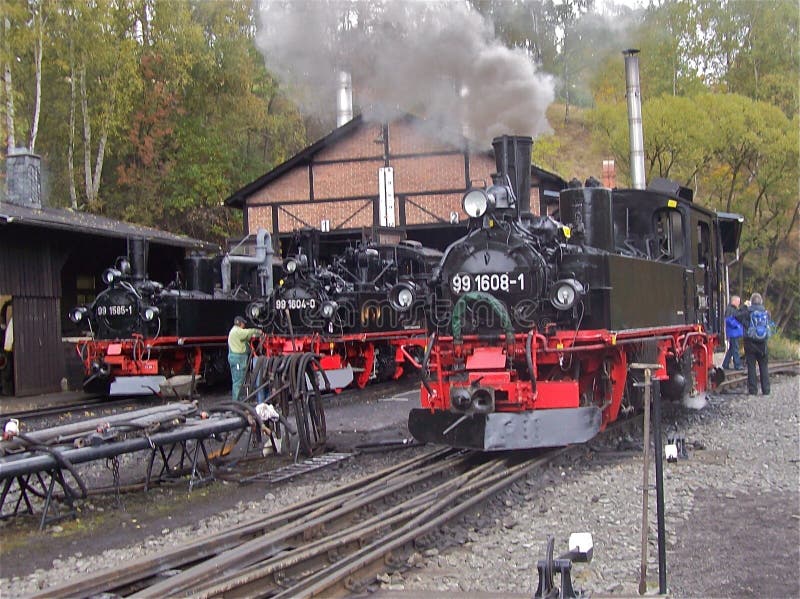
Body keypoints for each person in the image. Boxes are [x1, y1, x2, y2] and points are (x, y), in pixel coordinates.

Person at [735, 292, 771, 396]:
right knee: (764, 367)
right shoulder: (766, 312)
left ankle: (753, 390)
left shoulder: (747, 311)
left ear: (751, 301)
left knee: (751, 367)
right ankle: (766, 390)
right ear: (761, 301)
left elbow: (736, 316)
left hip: (750, 343)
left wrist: (745, 306)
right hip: (762, 344)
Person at [227, 316, 261, 401]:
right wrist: (258, 331)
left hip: (237, 358)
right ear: (240, 323)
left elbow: (245, 341)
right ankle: (237, 402)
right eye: (243, 323)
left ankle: (238, 400)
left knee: (238, 380)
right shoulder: (237, 331)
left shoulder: (234, 331)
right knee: (238, 381)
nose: (244, 325)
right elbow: (248, 333)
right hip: (238, 359)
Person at [721, 295, 743, 370]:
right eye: (738, 301)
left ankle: (725, 364)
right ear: (733, 301)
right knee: (735, 348)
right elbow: (729, 320)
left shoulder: (734, 309)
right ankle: (737, 365)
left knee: (731, 349)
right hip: (733, 332)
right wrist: (737, 325)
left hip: (734, 332)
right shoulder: (730, 309)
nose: (739, 303)